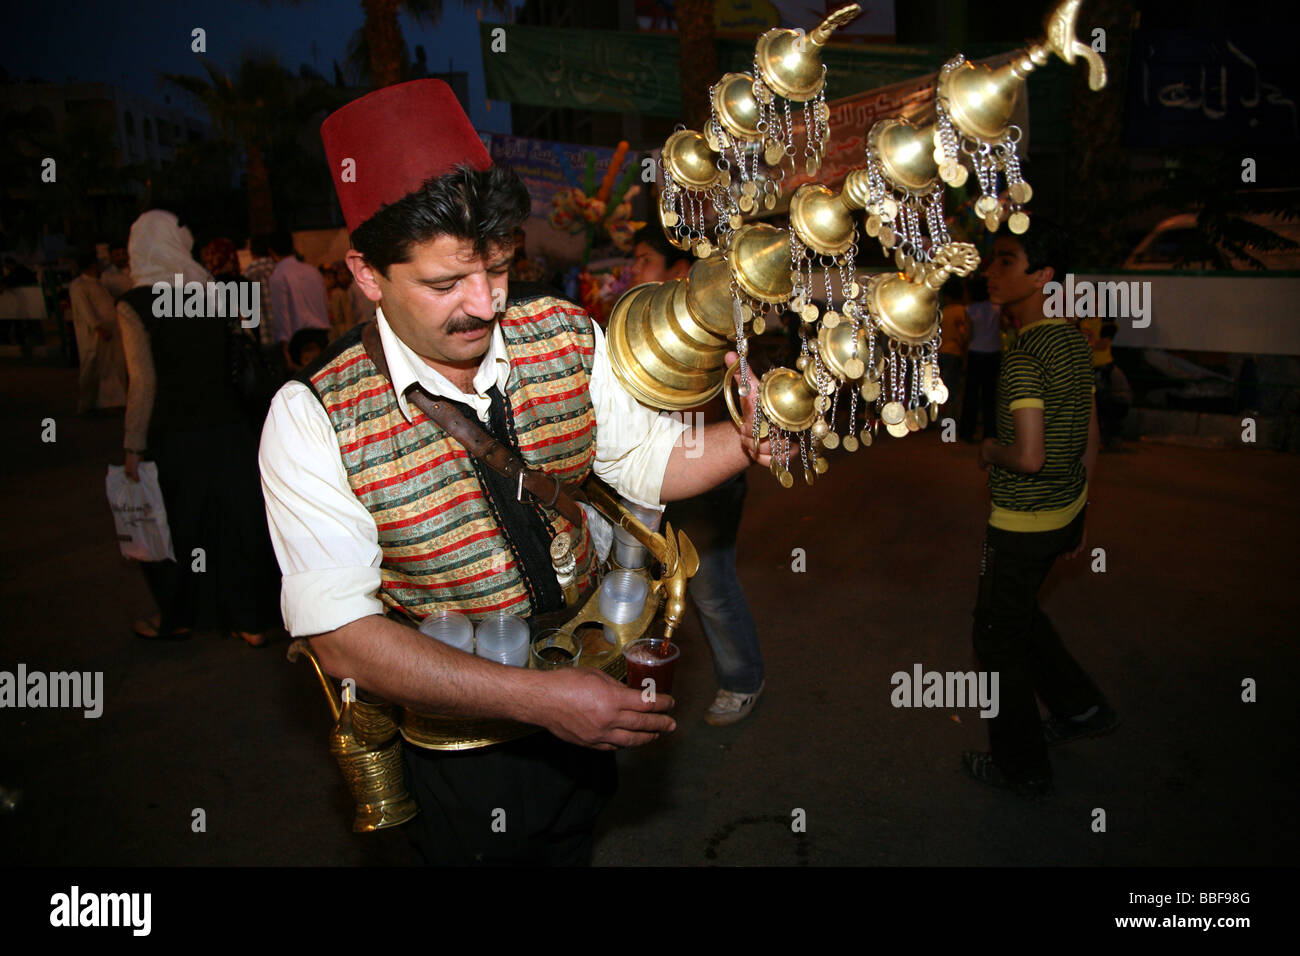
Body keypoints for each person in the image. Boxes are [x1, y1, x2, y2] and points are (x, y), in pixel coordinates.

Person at [258, 80, 771, 865]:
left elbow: (644, 459)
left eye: (498, 269)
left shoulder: (564, 333)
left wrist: (748, 440)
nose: (484, 304)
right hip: (456, 743)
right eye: (444, 283)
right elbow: (346, 639)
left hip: (585, 690)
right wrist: (539, 702)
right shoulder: (311, 417)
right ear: (366, 274)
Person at [963, 220, 1118, 798]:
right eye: (992, 260)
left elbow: (1027, 458)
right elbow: (1090, 439)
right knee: (1022, 614)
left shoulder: (1025, 354)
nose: (991, 271)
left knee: (996, 637)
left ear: (1043, 276)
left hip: (1021, 524)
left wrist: (987, 450)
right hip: (1063, 512)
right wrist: (1081, 511)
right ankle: (1080, 709)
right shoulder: (1074, 340)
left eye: (1007, 261)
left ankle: (1020, 766)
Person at [116, 208, 283, 647]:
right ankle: (250, 619)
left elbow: (144, 381)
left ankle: (178, 617)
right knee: (236, 522)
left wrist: (132, 445)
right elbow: (253, 342)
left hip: (173, 434)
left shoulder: (134, 304)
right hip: (229, 427)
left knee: (178, 530)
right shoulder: (213, 292)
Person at [630, 224, 765, 725]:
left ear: (680, 273)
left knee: (707, 580)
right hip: (649, 469)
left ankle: (742, 679)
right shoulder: (640, 322)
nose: (633, 272)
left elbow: (719, 409)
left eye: (644, 260)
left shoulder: (714, 332)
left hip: (704, 470)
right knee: (643, 578)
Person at [68, 251, 127, 413]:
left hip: (111, 331)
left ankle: (112, 403)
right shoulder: (78, 286)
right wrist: (98, 328)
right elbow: (85, 309)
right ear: (92, 266)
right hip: (94, 335)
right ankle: (88, 404)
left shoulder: (99, 284)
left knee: (112, 368)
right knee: (93, 369)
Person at [268, 229, 330, 366]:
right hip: (321, 335)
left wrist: (285, 347)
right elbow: (325, 304)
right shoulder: (312, 271)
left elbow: (282, 315)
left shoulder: (279, 276)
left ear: (271, 252)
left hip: (298, 340)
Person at [1077, 316, 1131, 451]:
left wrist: (1086, 341)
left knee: (1110, 404)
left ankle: (1112, 439)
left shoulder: (1107, 323)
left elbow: (1104, 344)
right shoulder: (1079, 322)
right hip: (1084, 369)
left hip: (1104, 369)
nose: (1093, 304)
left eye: (1097, 300)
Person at [959, 275, 1001, 443]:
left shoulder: (970, 309)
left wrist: (964, 357)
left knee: (971, 394)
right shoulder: (997, 307)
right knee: (990, 395)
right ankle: (990, 432)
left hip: (976, 352)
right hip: (993, 353)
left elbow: (968, 335)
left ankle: (967, 432)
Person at [937, 277, 970, 425]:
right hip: (954, 352)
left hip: (941, 351)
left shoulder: (944, 311)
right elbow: (963, 333)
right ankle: (947, 418)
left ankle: (940, 415)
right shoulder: (962, 311)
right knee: (952, 386)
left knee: (942, 384)